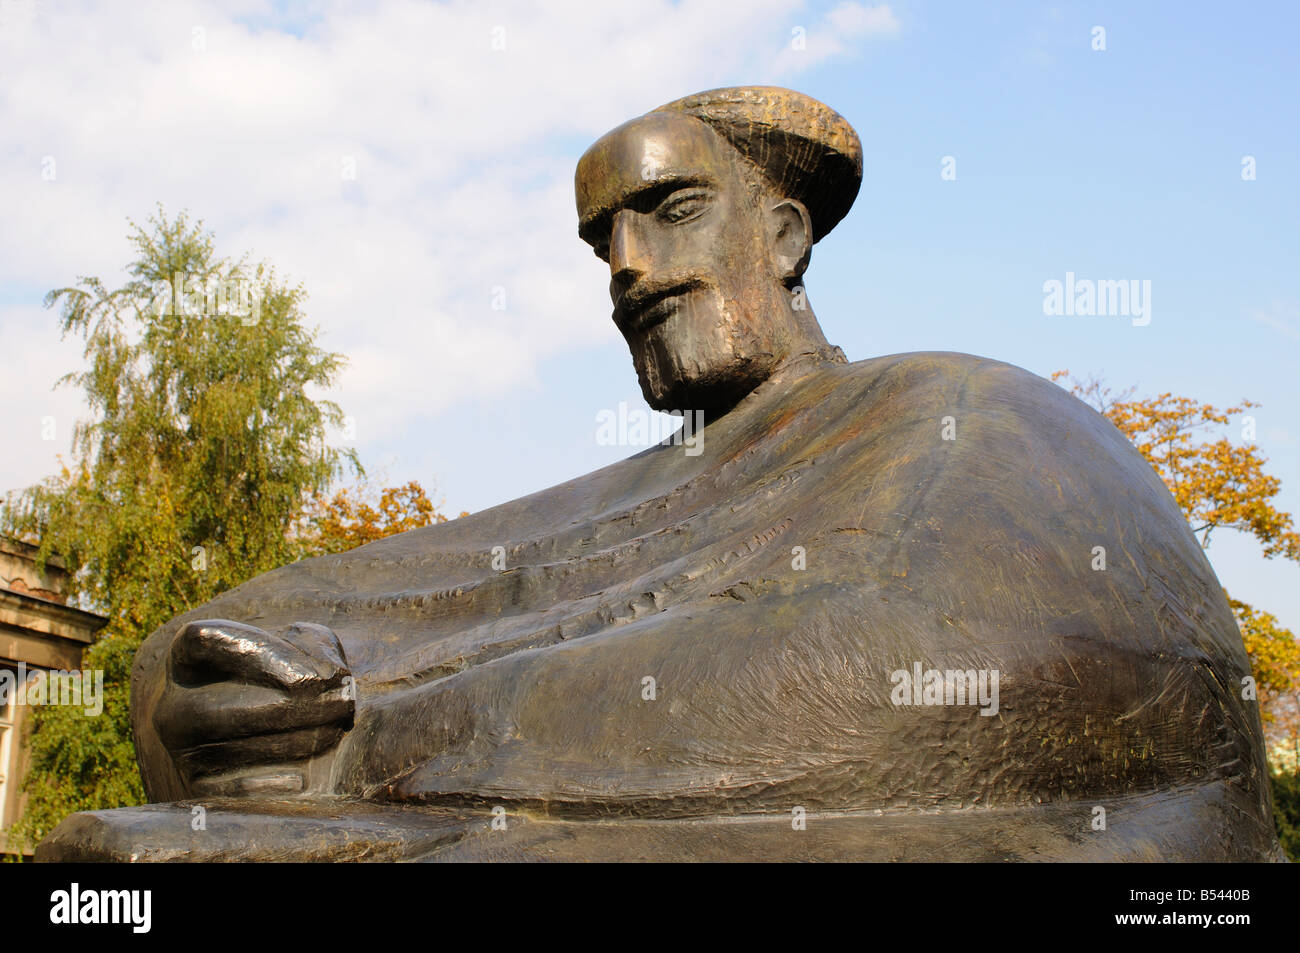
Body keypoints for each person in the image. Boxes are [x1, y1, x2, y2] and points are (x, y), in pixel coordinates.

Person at [48, 87, 1280, 861]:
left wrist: (364, 735)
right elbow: (251, 624)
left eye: (670, 213)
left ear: (784, 235)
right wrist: (213, 685)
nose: (627, 269)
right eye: (603, 242)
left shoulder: (957, 406)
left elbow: (943, 671)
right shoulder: (608, 497)